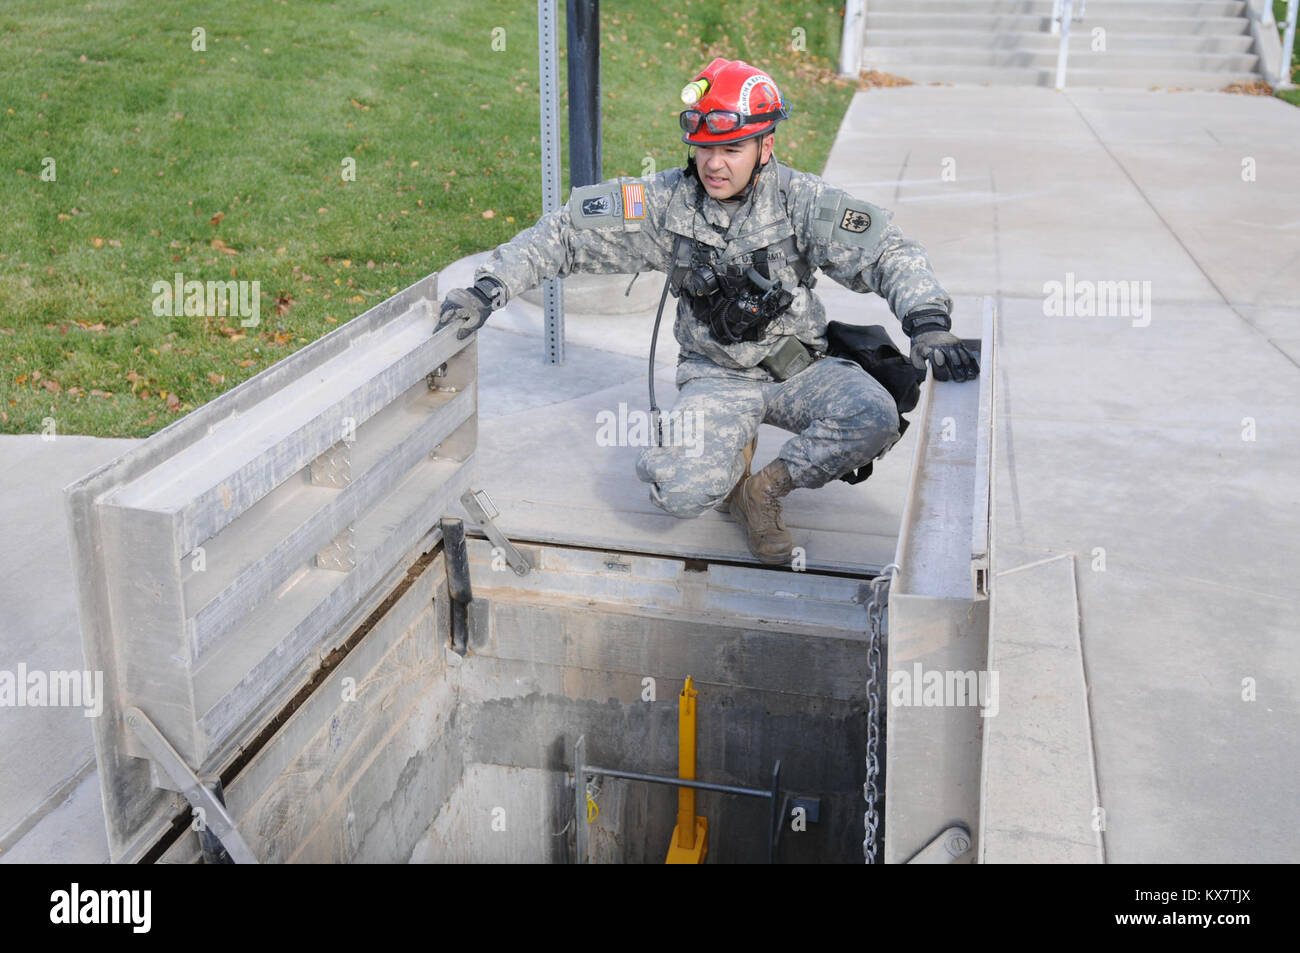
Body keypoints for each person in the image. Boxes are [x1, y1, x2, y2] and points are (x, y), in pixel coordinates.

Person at [436, 57, 978, 566]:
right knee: (679, 492)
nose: (714, 164)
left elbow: (888, 251)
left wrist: (928, 321)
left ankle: (761, 491)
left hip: (798, 368)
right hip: (716, 376)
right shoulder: (664, 202)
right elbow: (565, 232)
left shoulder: (803, 202)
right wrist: (488, 288)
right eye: (703, 148)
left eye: (732, 148)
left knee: (875, 415)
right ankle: (725, 455)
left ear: (766, 145)